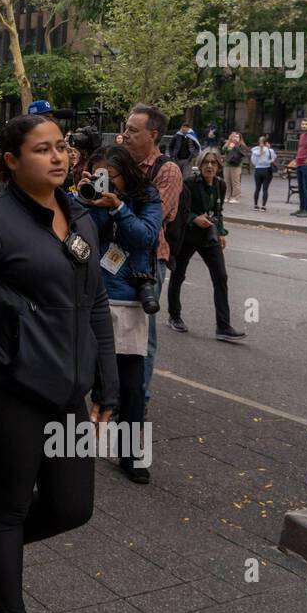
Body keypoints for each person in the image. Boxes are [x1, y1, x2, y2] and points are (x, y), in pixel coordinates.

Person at [0, 116, 118, 613]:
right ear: (12, 161)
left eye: (62, 147)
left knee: (71, 507)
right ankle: (4, 585)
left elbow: (97, 303)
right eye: (43, 150)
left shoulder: (80, 217)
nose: (59, 157)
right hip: (7, 390)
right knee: (8, 509)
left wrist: (108, 380)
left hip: (69, 393)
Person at [82, 146, 161, 484]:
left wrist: (118, 208)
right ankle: (65, 444)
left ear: (126, 175)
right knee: (77, 377)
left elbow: (145, 237)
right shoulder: (85, 196)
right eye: (97, 175)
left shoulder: (147, 198)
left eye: (108, 178)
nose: (103, 183)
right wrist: (83, 197)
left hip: (129, 297)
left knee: (131, 384)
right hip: (90, 296)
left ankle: (130, 455)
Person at [120, 104, 182, 410]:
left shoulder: (167, 170)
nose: (125, 135)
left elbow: (152, 222)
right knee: (115, 328)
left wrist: (116, 201)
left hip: (147, 261)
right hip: (114, 258)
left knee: (142, 334)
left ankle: (137, 400)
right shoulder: (120, 162)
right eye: (125, 128)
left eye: (132, 130)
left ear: (153, 135)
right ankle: (116, 396)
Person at [167, 150, 246, 342]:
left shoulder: (220, 184)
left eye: (213, 163)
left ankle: (223, 326)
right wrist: (195, 218)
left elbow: (218, 211)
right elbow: (178, 211)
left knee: (221, 276)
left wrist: (220, 232)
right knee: (178, 275)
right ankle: (174, 316)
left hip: (208, 237)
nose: (209, 166)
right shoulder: (189, 184)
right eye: (205, 163)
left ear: (218, 166)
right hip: (188, 236)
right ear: (199, 165)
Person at [250, 136, 276, 211]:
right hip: (267, 169)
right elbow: (273, 159)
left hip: (258, 169)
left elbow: (253, 161)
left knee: (257, 188)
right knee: (265, 189)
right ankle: (263, 206)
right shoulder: (270, 150)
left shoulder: (255, 150)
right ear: (266, 143)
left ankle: (255, 205)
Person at [221, 132, 249, 203]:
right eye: (234, 137)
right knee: (227, 181)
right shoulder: (230, 143)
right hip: (227, 165)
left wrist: (235, 145)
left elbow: (243, 154)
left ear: (240, 138)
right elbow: (223, 149)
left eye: (237, 137)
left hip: (236, 166)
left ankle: (235, 197)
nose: (235, 138)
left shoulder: (241, 145)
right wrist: (229, 143)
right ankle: (227, 196)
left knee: (235, 182)